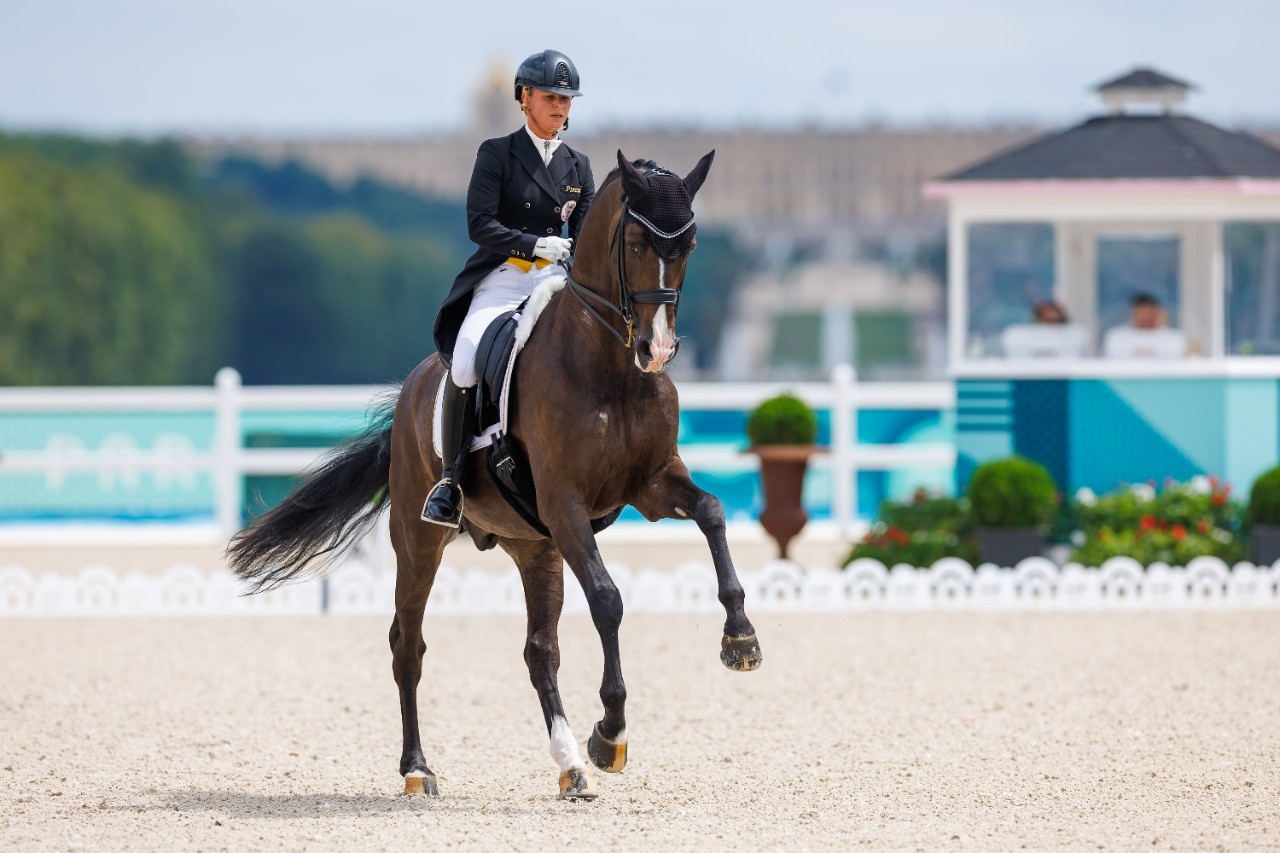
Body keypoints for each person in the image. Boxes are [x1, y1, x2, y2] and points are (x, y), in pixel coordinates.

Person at [422, 50, 596, 527]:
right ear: (525, 99)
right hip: (505, 278)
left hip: (557, 283)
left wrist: (573, 256)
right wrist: (533, 245)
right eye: (550, 97)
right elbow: (480, 225)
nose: (560, 107)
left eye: (566, 99)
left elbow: (586, 236)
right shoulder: (497, 154)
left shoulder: (578, 166)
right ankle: (451, 480)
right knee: (464, 362)